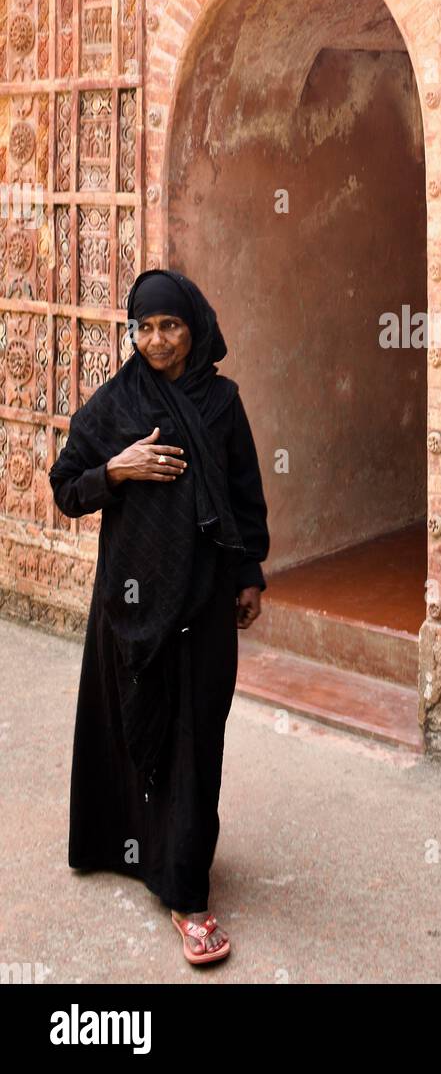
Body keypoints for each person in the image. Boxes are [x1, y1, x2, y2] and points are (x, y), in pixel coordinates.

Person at [48, 268, 270, 966]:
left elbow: (244, 495)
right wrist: (117, 470)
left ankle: (187, 893)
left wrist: (250, 573)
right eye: (143, 328)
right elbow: (66, 488)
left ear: (195, 326)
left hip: (201, 599)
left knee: (196, 737)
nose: (156, 341)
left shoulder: (222, 404)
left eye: (169, 326)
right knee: (133, 724)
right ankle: (125, 846)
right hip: (131, 601)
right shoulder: (115, 405)